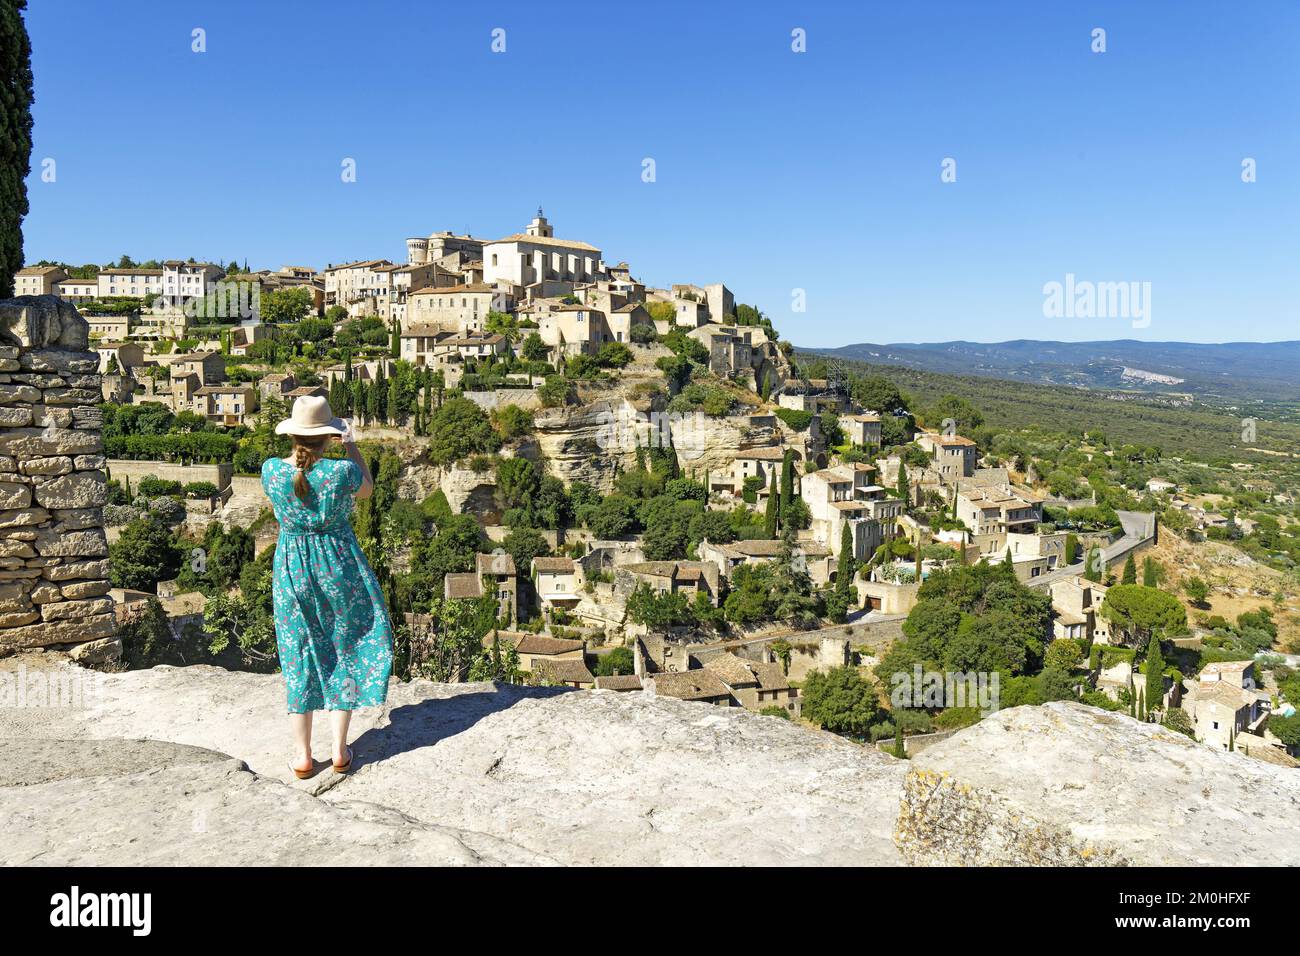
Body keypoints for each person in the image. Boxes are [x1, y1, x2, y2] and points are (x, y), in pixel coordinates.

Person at [260, 395, 393, 778]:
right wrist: (350, 444)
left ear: (293, 434)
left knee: (298, 650)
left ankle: (302, 756)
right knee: (346, 644)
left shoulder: (271, 470)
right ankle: (338, 751)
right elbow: (367, 488)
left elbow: (280, 505)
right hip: (337, 563)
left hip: (291, 566)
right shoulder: (340, 473)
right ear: (327, 436)